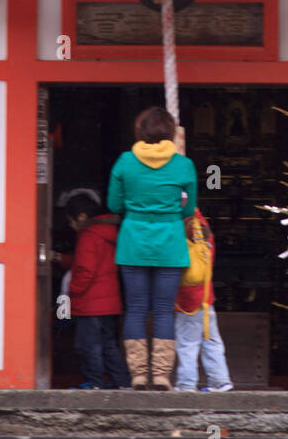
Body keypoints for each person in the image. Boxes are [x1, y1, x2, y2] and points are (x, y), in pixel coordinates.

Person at [107, 106, 197, 390]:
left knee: (135, 308)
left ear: (140, 132)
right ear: (171, 132)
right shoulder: (183, 165)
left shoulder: (124, 161)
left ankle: (138, 374)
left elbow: (113, 205)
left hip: (133, 241)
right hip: (170, 243)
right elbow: (190, 209)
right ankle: (160, 375)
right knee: (162, 310)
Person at [63, 188, 130, 389]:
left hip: (90, 303)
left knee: (88, 345)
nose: (71, 226)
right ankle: (122, 382)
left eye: (71, 221)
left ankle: (95, 383)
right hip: (110, 302)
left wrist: (71, 290)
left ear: (82, 217)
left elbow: (85, 270)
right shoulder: (110, 234)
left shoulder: (88, 236)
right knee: (109, 344)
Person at [175, 210, 233, 392]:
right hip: (206, 295)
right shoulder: (202, 225)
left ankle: (186, 383)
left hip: (187, 298)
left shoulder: (182, 225)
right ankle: (220, 380)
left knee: (187, 342)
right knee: (211, 339)